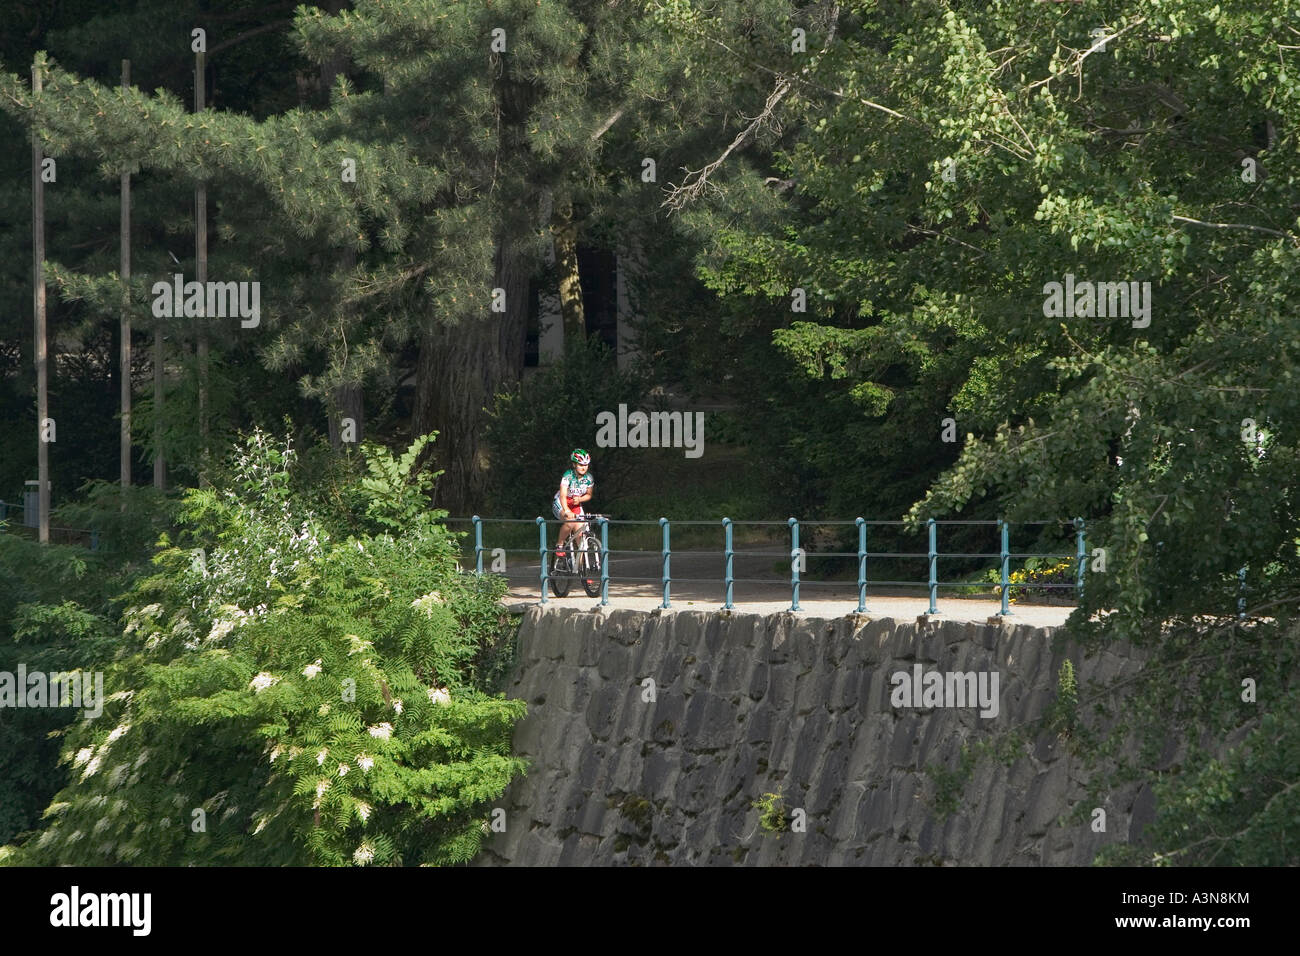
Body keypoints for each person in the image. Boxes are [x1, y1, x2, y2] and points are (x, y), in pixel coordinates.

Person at [552, 449, 594, 571]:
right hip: (561, 502)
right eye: (581, 464)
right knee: (570, 521)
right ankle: (559, 545)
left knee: (581, 534)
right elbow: (563, 495)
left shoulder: (589, 478)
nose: (583, 467)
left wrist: (580, 499)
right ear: (574, 464)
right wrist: (566, 510)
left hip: (575, 504)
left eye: (586, 465)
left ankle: (581, 570)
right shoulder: (568, 476)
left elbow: (589, 495)